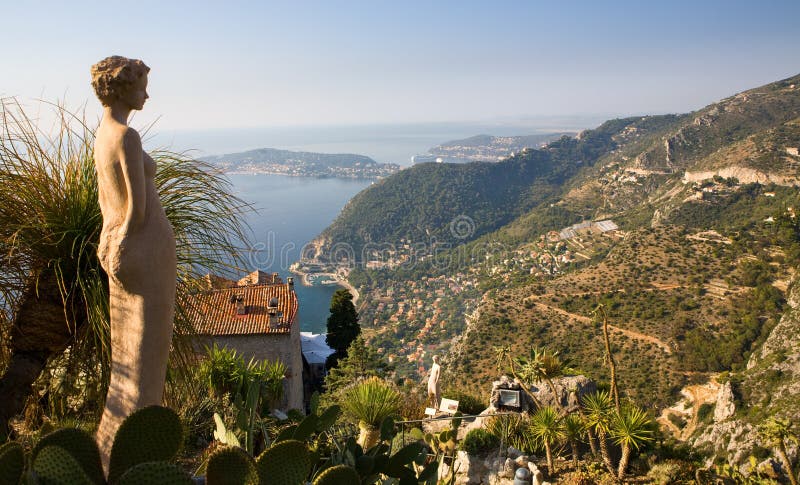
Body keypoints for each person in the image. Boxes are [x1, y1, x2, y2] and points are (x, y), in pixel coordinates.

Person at [90, 56, 177, 473]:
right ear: (124, 87)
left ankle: (106, 452)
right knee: (150, 356)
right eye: (143, 83)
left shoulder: (101, 135)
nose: (148, 92)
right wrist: (128, 238)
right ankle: (137, 464)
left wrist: (111, 244)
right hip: (144, 246)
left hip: (112, 243)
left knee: (125, 357)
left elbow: (109, 203)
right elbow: (137, 210)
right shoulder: (128, 136)